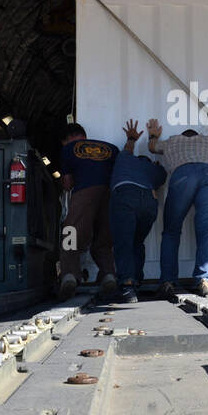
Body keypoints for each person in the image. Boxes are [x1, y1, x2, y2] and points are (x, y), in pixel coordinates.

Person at [147, 117, 208, 300]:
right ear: (198, 135)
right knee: (206, 233)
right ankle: (206, 280)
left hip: (182, 175)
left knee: (171, 232)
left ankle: (167, 281)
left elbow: (152, 147)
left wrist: (153, 135)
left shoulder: (171, 141)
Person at [56, 122, 118, 299]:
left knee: (70, 233)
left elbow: (67, 184)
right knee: (103, 240)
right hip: (110, 193)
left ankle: (69, 275)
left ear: (67, 140)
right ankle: (108, 275)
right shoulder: (111, 149)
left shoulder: (68, 149)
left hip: (85, 192)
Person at [109, 119, 168, 303]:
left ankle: (127, 286)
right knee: (137, 242)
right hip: (148, 203)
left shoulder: (125, 158)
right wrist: (157, 168)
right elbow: (162, 178)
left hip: (126, 195)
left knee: (124, 242)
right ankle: (136, 282)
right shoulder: (153, 170)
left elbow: (127, 149)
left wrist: (132, 139)